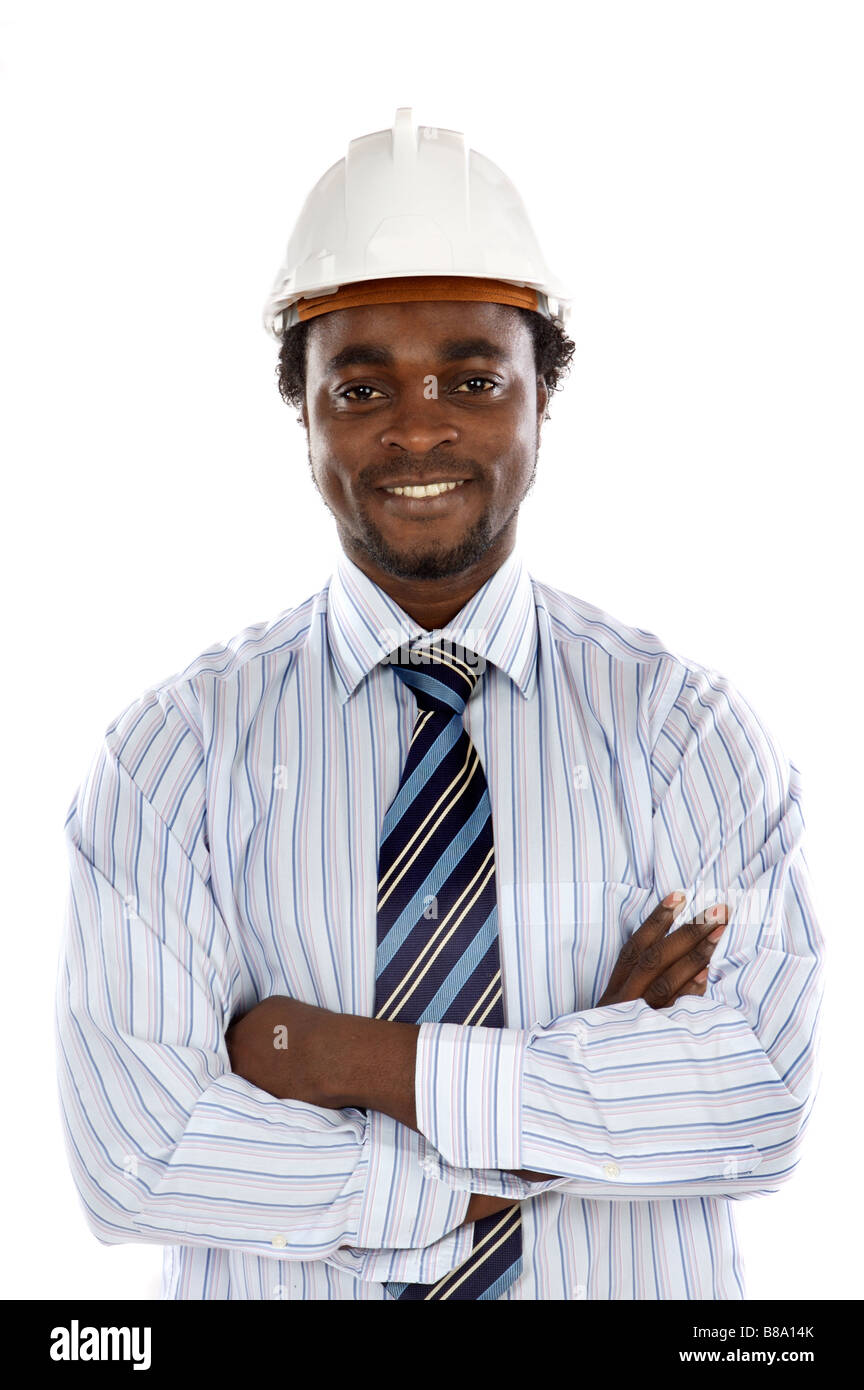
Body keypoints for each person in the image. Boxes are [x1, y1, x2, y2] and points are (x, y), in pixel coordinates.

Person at [55, 109, 824, 1301]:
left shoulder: (689, 735)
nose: (418, 425)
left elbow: (755, 1102)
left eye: (472, 377)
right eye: (361, 387)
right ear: (300, 411)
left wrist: (334, 1056)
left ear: (541, 395)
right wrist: (566, 1107)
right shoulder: (172, 757)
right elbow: (139, 1156)